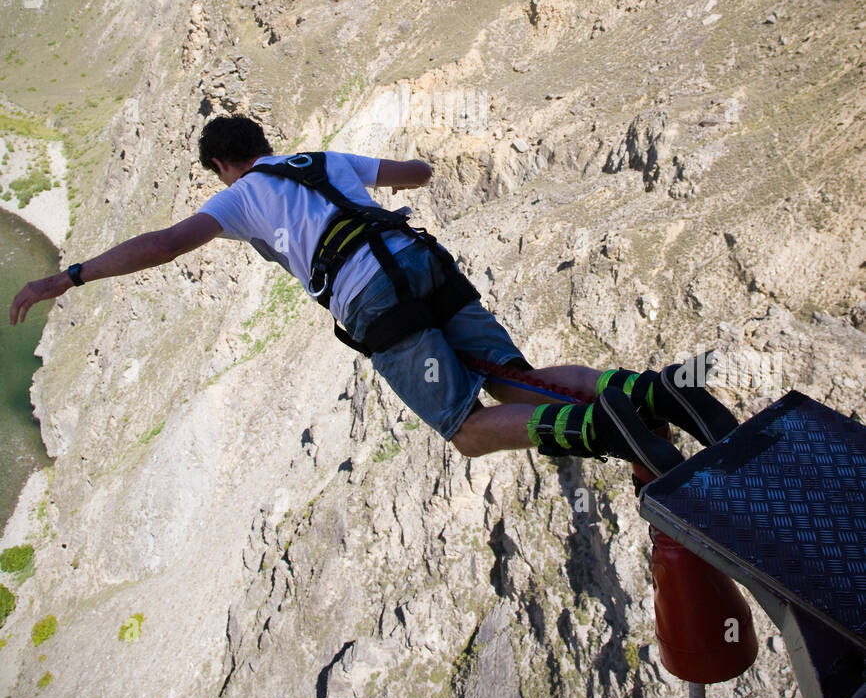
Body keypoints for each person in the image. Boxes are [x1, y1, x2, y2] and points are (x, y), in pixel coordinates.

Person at [10, 115, 736, 474]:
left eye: (219, 172)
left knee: (466, 429)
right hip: (423, 263)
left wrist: (65, 277)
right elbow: (416, 174)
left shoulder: (241, 195)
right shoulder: (321, 160)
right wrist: (402, 169)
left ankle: (604, 429)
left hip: (377, 305)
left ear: (224, 164)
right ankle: (653, 394)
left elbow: (166, 244)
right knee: (518, 381)